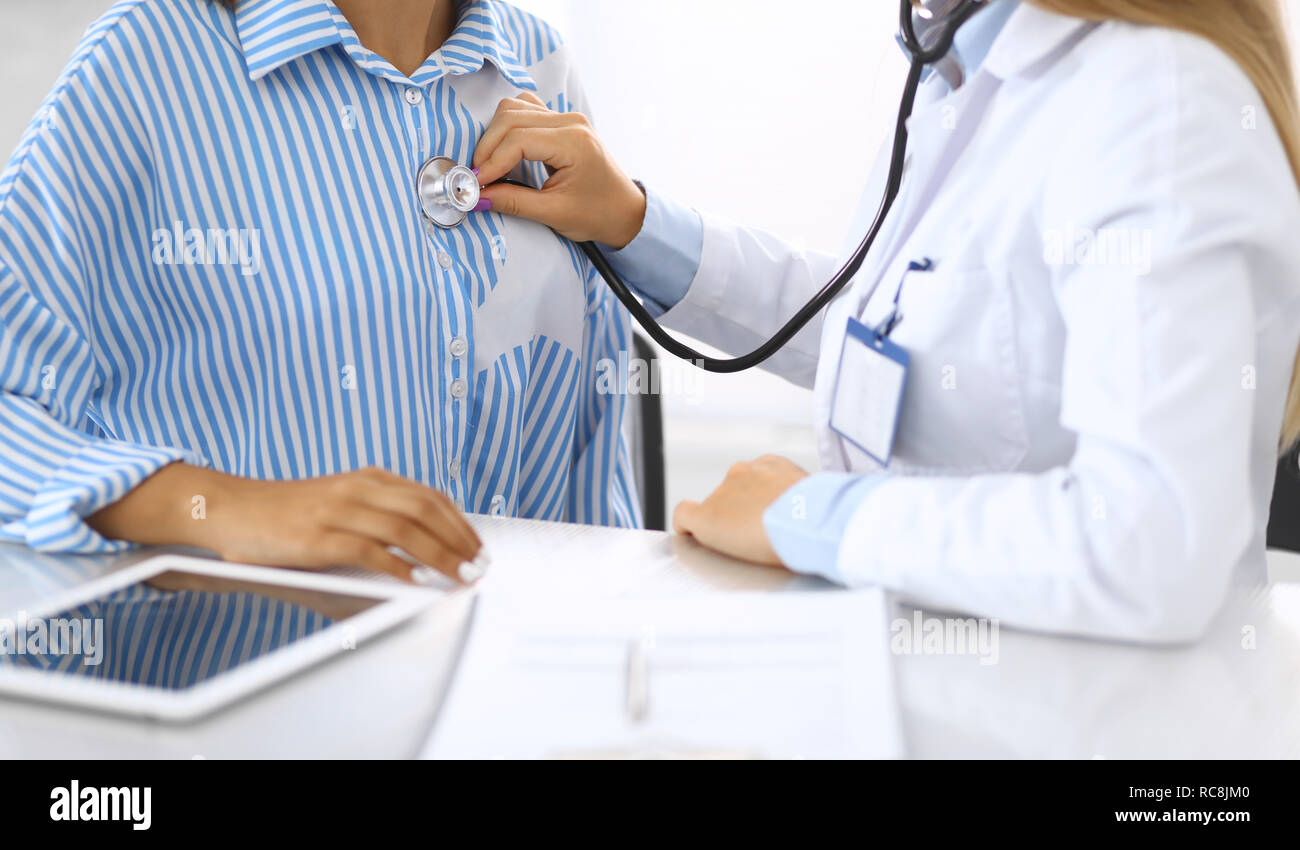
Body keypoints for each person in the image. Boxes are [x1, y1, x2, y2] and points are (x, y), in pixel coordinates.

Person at [472, 0, 1300, 641]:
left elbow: (1152, 541)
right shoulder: (958, 79)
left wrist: (812, 517)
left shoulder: (1156, 99)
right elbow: (894, 337)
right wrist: (635, 224)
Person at [0, 0, 641, 585]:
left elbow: (593, 450)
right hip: (246, 689)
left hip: (503, 690)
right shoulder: (147, 60)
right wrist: (218, 505)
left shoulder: (540, 62)